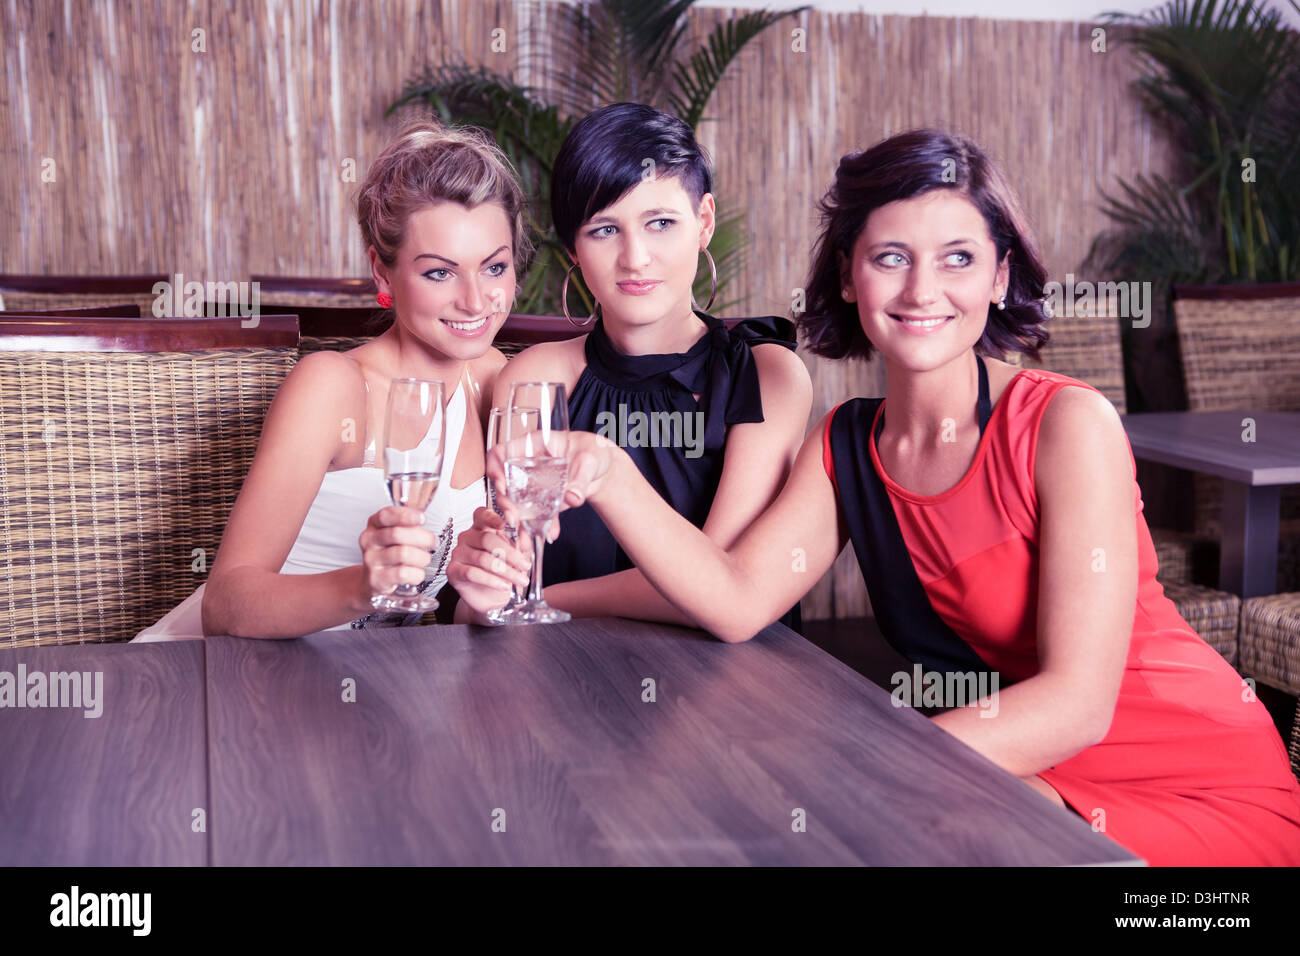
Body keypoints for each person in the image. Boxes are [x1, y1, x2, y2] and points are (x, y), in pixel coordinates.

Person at [467, 129, 1300, 866]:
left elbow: (1078, 706)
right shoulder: (846, 443)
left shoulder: (1066, 423)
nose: (921, 289)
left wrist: (873, 768)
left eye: (959, 258)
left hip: (1195, 783)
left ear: (1002, 274)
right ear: (849, 273)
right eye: (891, 256)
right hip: (1020, 770)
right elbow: (731, 599)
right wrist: (609, 471)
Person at [133, 121, 528, 640]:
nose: (476, 301)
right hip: (220, 683)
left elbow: (460, 609)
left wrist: (485, 594)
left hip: (355, 694)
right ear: (382, 273)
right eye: (440, 272)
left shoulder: (494, 384)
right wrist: (363, 586)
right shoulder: (333, 386)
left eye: (494, 268)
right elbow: (224, 607)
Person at [447, 102, 811, 630]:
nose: (635, 257)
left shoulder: (765, 374)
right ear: (573, 246)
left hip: (725, 690)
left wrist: (549, 598)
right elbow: (502, 593)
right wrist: (482, 585)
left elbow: (721, 587)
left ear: (703, 222)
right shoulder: (533, 378)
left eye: (660, 223)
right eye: (604, 230)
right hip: (562, 681)